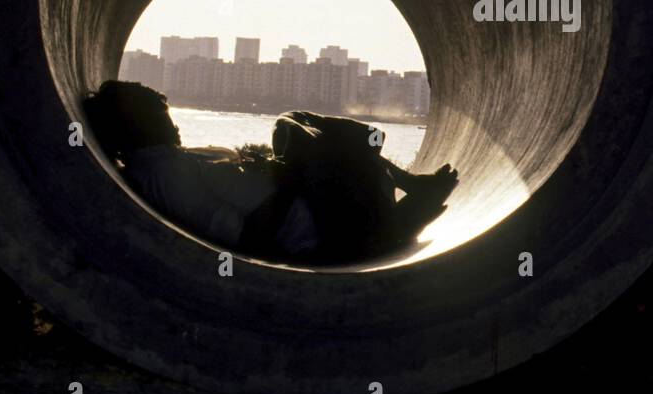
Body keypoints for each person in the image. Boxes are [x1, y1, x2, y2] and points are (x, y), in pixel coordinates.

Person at [82, 80, 457, 264]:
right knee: (292, 124)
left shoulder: (167, 159)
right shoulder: (162, 174)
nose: (175, 125)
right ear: (139, 124)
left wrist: (262, 163)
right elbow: (248, 236)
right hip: (327, 223)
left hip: (321, 203)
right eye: (163, 117)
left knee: (295, 125)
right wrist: (290, 179)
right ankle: (393, 209)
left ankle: (402, 190)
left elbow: (235, 183)